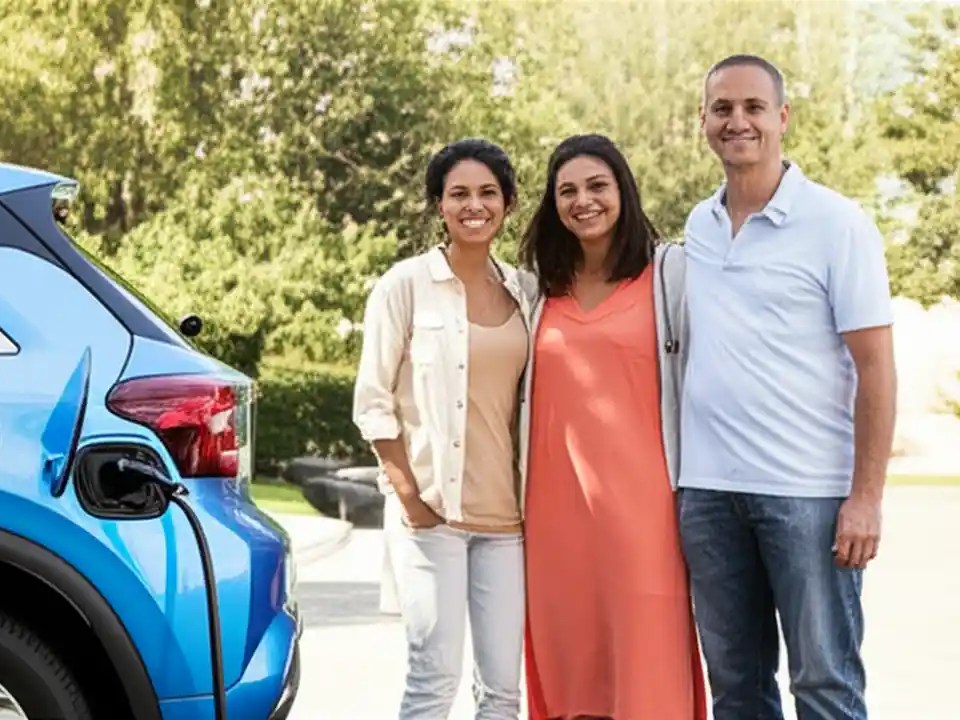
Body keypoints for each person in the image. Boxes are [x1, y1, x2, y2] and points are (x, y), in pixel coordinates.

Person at [677, 54, 897, 720]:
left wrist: (865, 497)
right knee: (737, 689)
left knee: (825, 684)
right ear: (704, 121)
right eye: (722, 109)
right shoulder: (699, 226)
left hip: (808, 497)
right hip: (709, 495)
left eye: (752, 108)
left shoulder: (838, 224)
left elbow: (877, 368)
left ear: (782, 118)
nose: (737, 121)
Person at [518, 133, 707, 720]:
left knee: (648, 662)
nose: (583, 201)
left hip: (645, 509)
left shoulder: (669, 276)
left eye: (597, 185)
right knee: (570, 661)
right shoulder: (534, 289)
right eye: (567, 190)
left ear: (622, 190)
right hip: (552, 513)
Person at [352, 138, 535, 719]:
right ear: (439, 205)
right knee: (434, 681)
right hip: (433, 516)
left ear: (507, 203)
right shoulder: (404, 285)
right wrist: (410, 498)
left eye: (487, 193)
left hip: (508, 521)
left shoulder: (526, 291)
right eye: (458, 194)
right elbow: (373, 401)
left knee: (503, 689)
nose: (473, 205)